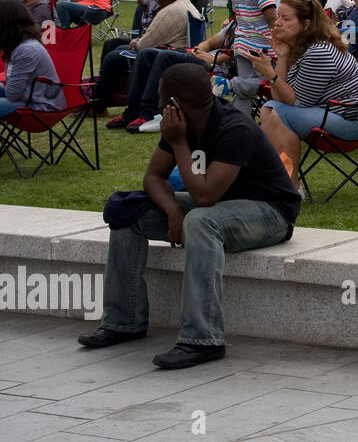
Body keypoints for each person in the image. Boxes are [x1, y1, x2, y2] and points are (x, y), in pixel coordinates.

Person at [78, 62, 302, 368]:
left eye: (160, 96)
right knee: (128, 210)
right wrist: (171, 210)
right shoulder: (181, 123)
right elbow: (153, 177)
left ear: (175, 103)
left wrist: (179, 142)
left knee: (200, 220)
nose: (157, 103)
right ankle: (123, 320)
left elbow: (205, 196)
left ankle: (203, 339)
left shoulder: (233, 129)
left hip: (270, 212)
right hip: (220, 207)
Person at [251, 0, 358, 187]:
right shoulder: (302, 48)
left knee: (279, 115)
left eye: (285, 19)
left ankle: (289, 188)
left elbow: (297, 103)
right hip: (331, 112)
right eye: (278, 16)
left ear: (306, 24)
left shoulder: (319, 51)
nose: (277, 23)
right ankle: (276, 181)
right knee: (268, 108)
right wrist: (283, 57)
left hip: (355, 121)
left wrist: (270, 73)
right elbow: (279, 97)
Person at [92, 0, 198, 112]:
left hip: (168, 53)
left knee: (113, 57)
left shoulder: (168, 12)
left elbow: (144, 45)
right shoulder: (186, 3)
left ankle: (99, 104)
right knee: (113, 44)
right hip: (175, 50)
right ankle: (106, 95)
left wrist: (136, 42)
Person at [227, 0, 278, 116]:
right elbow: (272, 19)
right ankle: (228, 85)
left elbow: (237, 15)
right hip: (262, 48)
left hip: (241, 46)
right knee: (270, 81)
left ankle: (238, 124)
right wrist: (279, 40)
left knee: (245, 91)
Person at [0, 0, 65, 120]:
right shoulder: (17, 44)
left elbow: (13, 95)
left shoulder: (25, 50)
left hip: (41, 106)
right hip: (29, 97)